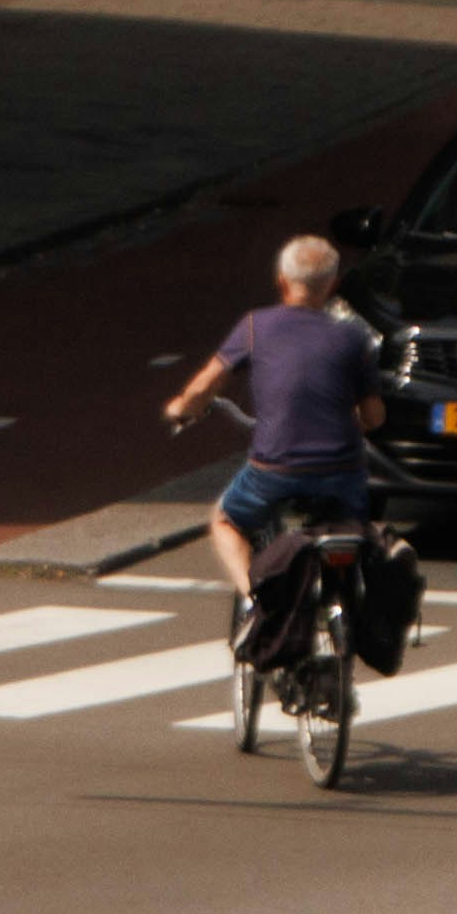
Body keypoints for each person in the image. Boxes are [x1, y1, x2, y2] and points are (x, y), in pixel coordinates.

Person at [168, 232, 389, 640]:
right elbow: (374, 416)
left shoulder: (257, 327)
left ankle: (255, 600)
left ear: (282, 283)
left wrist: (181, 408)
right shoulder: (355, 338)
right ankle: (343, 609)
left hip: (276, 468)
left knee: (225, 519)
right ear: (333, 286)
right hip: (342, 473)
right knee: (349, 536)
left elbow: (204, 388)